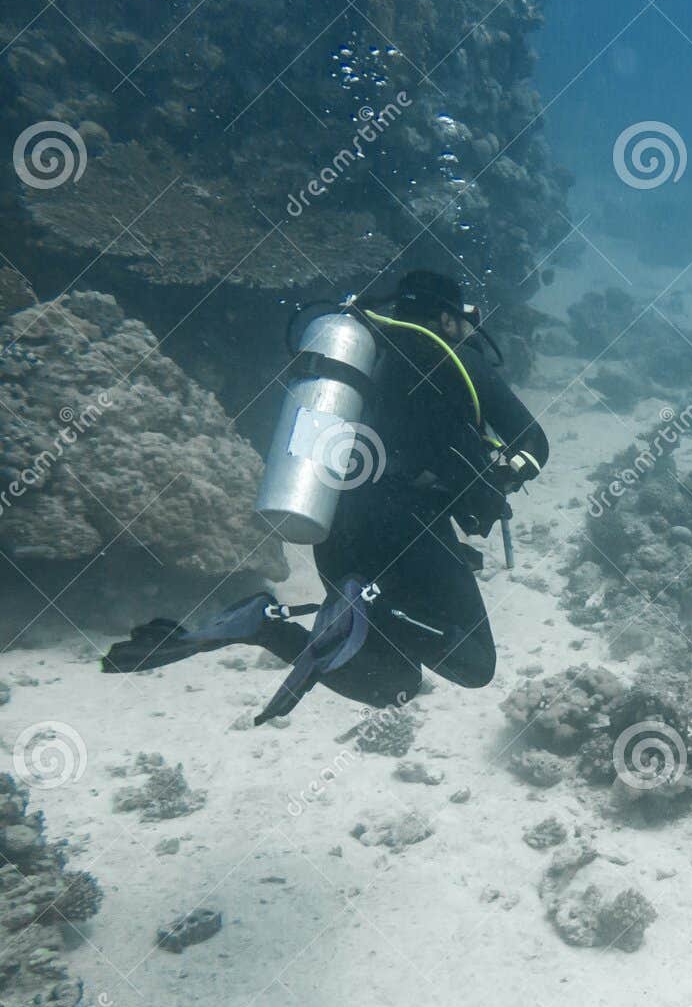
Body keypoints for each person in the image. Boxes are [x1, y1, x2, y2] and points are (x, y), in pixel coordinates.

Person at [104, 270, 548, 722]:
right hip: (407, 529)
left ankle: (265, 626)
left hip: (333, 525)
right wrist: (506, 477)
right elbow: (534, 442)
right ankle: (367, 603)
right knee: (474, 664)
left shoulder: (357, 355)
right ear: (448, 319)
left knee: (394, 683)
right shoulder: (458, 359)